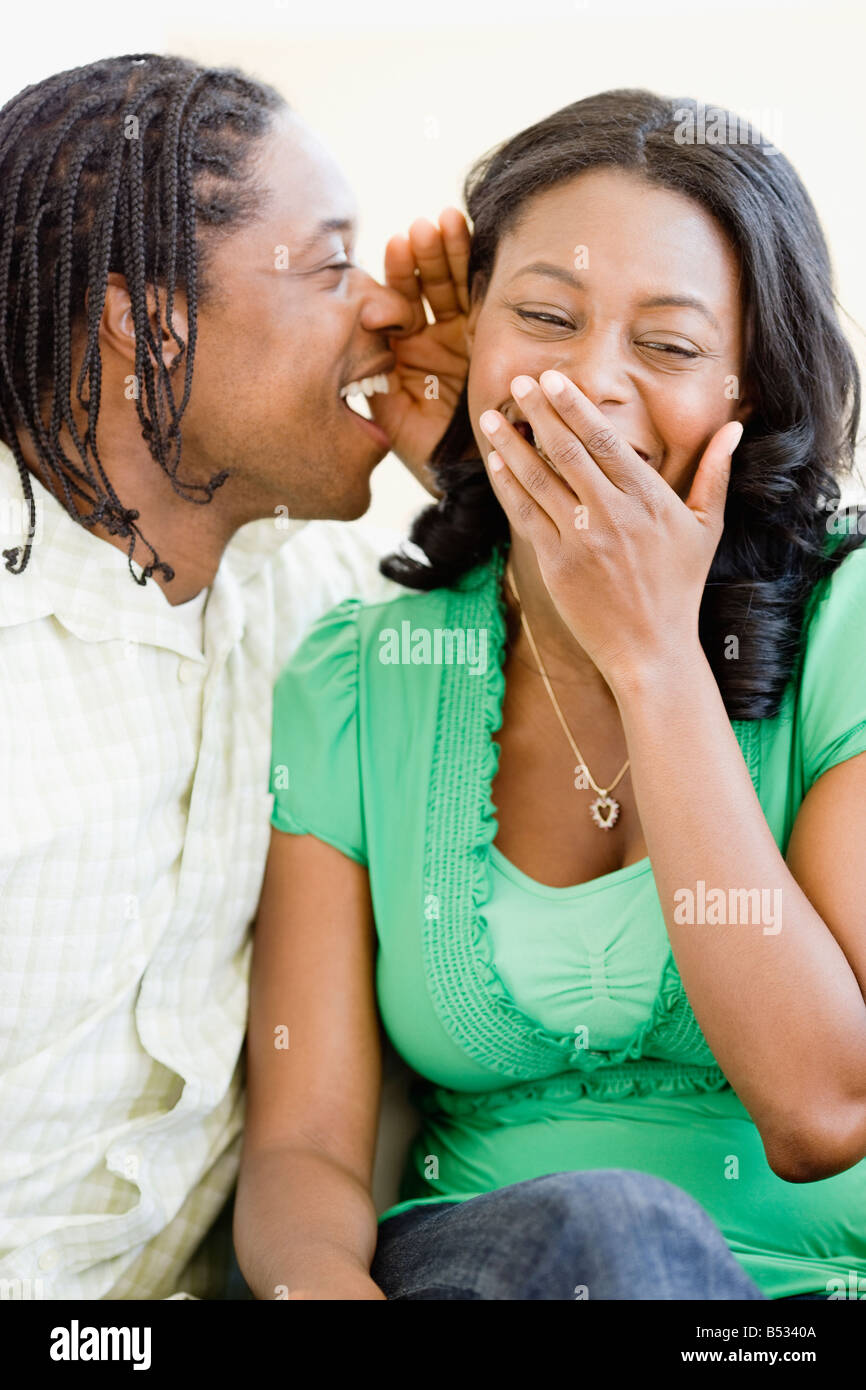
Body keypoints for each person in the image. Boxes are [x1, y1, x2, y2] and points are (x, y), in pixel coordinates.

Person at [238, 88, 866, 1300]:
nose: (586, 386)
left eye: (669, 346)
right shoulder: (363, 675)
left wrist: (648, 657)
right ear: (472, 344)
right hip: (493, 1274)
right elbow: (301, 1144)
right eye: (540, 317)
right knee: (610, 1231)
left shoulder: (849, 628)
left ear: (754, 392)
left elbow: (820, 1106)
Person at [0, 52, 471, 1300]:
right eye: (328, 265)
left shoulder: (317, 605)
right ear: (147, 322)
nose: (382, 308)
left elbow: (621, 651)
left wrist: (486, 464)